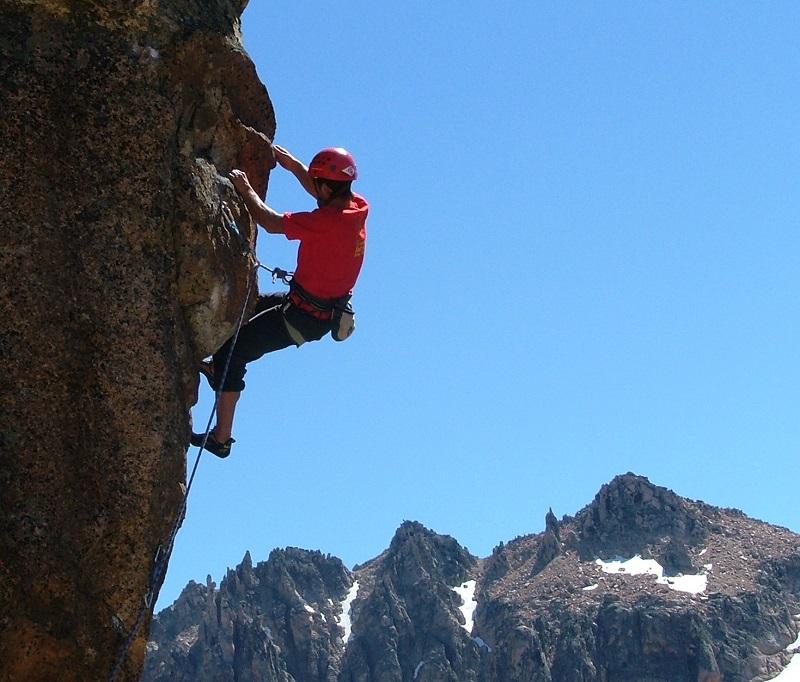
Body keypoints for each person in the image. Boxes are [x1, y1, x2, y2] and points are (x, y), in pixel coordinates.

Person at [191, 145, 368, 457]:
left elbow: (270, 222)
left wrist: (245, 190)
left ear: (327, 188)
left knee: (233, 354)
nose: (315, 189)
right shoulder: (355, 208)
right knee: (245, 308)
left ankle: (221, 438)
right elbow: (321, 189)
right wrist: (291, 164)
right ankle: (220, 373)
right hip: (307, 307)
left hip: (303, 317)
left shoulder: (327, 221)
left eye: (318, 184)